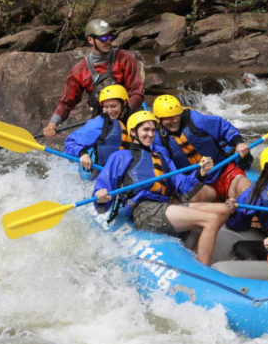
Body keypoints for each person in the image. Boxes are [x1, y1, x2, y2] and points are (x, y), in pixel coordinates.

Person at [93, 110, 234, 265]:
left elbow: (184, 186)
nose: (151, 134)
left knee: (224, 210)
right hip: (145, 211)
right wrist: (101, 198)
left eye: (153, 130)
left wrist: (200, 173)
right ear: (133, 132)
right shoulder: (122, 156)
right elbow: (103, 191)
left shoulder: (162, 158)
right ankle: (204, 269)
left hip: (165, 206)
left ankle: (195, 252)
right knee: (211, 219)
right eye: (145, 130)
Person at [43, 18, 144, 137]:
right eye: (103, 38)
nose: (108, 41)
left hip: (130, 118)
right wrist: (53, 123)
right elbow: (66, 103)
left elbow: (137, 91)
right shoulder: (79, 70)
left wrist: (125, 110)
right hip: (101, 121)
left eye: (110, 37)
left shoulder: (125, 60)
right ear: (90, 39)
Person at [152, 94, 253, 202]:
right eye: (169, 118)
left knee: (247, 190)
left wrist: (238, 142)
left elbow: (221, 126)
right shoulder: (157, 139)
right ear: (159, 119)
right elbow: (168, 169)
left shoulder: (194, 119)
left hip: (223, 170)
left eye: (176, 115)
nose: (175, 120)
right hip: (198, 183)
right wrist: (197, 176)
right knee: (191, 199)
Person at [64, 84, 132, 179]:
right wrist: (82, 153)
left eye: (113, 106)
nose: (109, 111)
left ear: (124, 103)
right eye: (106, 107)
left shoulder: (135, 120)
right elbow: (70, 142)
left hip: (126, 171)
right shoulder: (99, 123)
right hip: (101, 173)